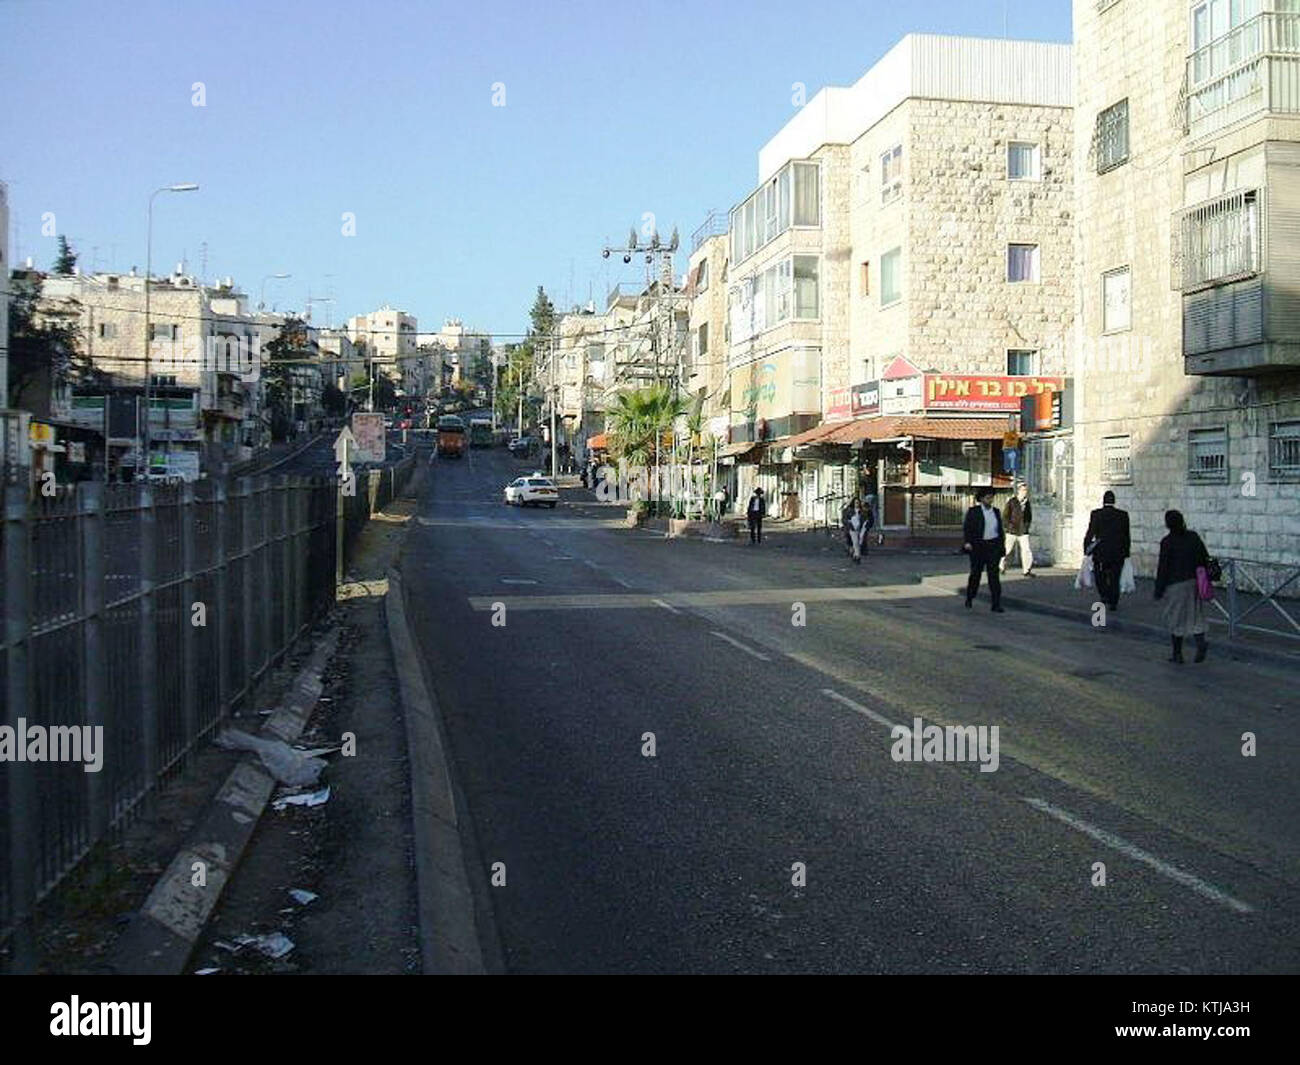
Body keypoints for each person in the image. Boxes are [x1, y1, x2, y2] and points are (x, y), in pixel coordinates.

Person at [1154, 509, 1212, 664]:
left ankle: (1177, 654)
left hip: (1176, 584)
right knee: (1195, 615)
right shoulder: (1193, 537)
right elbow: (1204, 557)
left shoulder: (1167, 542)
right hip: (1194, 582)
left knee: (1176, 618)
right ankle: (1201, 643)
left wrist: (1158, 590)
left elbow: (1163, 568)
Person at [1084, 490, 1131, 611]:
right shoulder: (1123, 515)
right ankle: (1113, 601)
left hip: (1101, 552)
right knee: (1115, 577)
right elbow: (1126, 535)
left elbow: (1091, 532)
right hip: (1117, 552)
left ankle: (1104, 594)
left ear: (1103, 501)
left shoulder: (1096, 514)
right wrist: (1126, 552)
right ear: (1114, 501)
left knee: (1100, 575)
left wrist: (1086, 548)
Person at [962, 486, 1006, 612]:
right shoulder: (974, 512)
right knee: (976, 574)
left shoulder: (996, 512)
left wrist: (1001, 547)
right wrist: (967, 542)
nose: (990, 500)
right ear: (981, 499)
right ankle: (970, 597)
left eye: (992, 497)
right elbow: (967, 528)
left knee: (994, 576)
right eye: (987, 498)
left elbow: (999, 530)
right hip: (978, 547)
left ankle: (996, 604)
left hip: (993, 546)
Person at [1000, 482, 1035, 577]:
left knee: (1026, 550)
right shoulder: (1012, 501)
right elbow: (1005, 515)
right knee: (1007, 550)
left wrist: (1027, 526)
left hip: (1023, 531)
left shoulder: (1027, 503)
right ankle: (1001, 567)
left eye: (1026, 490)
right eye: (1023, 490)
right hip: (1012, 530)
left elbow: (1029, 516)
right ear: (1019, 491)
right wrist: (1008, 526)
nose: (1025, 492)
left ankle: (1027, 570)